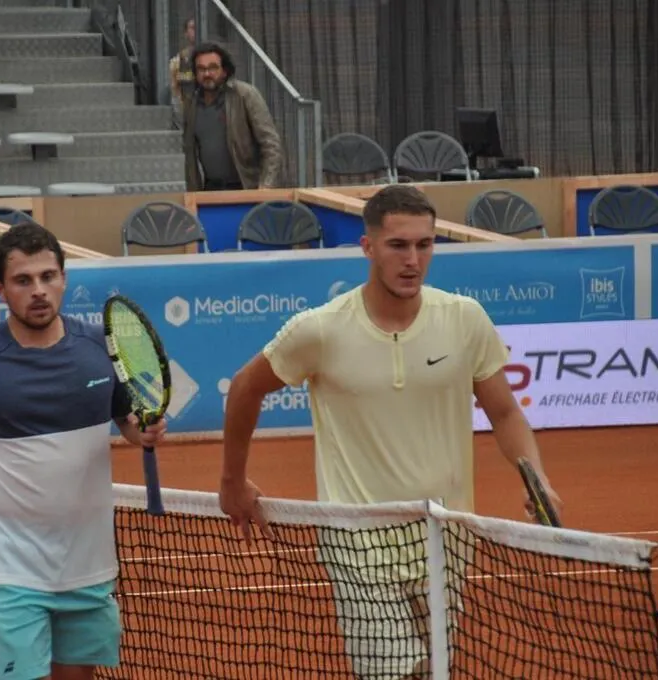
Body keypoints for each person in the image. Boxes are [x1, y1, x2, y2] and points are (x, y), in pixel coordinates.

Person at [217, 184, 562, 679]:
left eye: (425, 245)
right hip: (358, 542)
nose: (413, 260)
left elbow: (505, 414)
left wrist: (536, 476)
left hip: (447, 537)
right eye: (399, 245)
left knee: (429, 672)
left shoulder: (464, 320)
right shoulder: (320, 330)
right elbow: (246, 389)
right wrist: (233, 479)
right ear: (368, 247)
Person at [0, 220, 167, 680]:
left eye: (49, 276)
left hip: (89, 568)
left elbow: (127, 419)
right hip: (12, 572)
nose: (39, 291)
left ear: (64, 278)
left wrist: (141, 433)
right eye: (23, 280)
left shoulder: (100, 347)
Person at [182, 42, 283, 192]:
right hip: (210, 189)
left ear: (224, 71)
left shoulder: (245, 95)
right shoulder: (191, 104)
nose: (207, 74)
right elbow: (189, 154)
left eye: (213, 67)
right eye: (201, 69)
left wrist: (266, 186)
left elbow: (271, 144)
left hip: (247, 187)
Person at [168, 17, 196, 129]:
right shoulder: (180, 59)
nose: (196, 31)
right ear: (186, 33)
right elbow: (174, 86)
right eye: (193, 28)